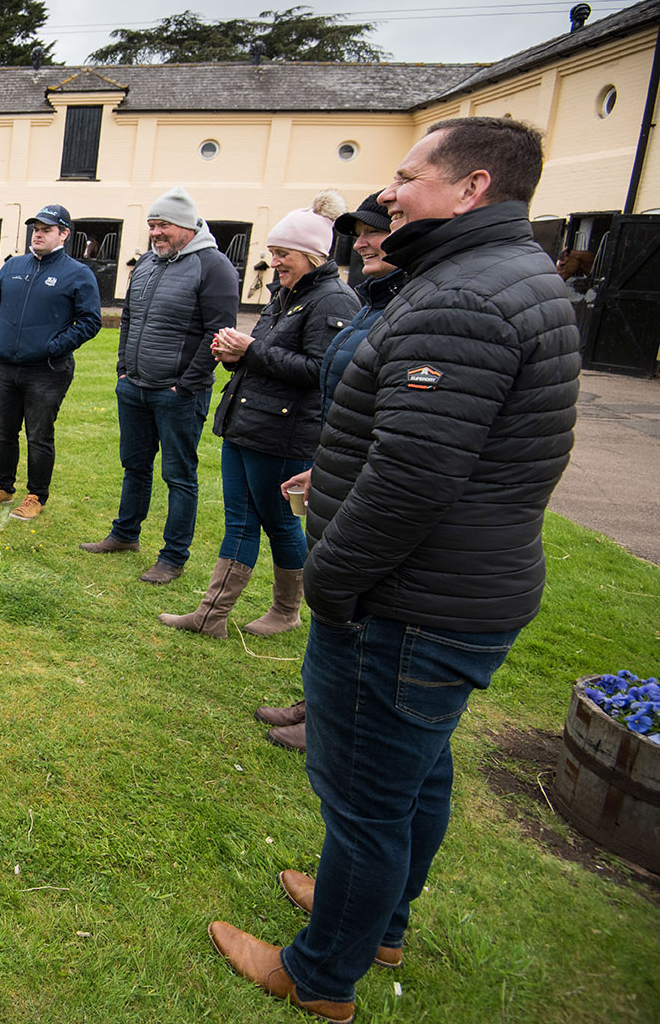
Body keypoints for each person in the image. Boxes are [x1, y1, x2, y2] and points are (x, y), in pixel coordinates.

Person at [209, 117, 580, 1021]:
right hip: (454, 590)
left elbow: (416, 478)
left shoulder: (462, 298)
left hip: (409, 599)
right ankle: (380, 922)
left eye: (410, 175)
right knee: (415, 771)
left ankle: (321, 973)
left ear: (473, 187)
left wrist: (330, 581)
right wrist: (329, 471)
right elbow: (432, 444)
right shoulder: (497, 277)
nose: (391, 193)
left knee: (366, 797)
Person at [160, 192, 358, 640]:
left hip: (285, 434)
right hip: (248, 425)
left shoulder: (333, 301)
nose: (275, 262)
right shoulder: (285, 295)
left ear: (311, 254)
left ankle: (286, 610)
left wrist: (252, 351)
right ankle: (212, 615)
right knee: (242, 522)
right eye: (272, 253)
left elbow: (322, 372)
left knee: (280, 522)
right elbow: (266, 357)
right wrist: (232, 355)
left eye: (283, 254)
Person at [256, 191, 402, 752]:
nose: (361, 242)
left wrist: (251, 354)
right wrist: (329, 465)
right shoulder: (376, 297)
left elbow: (323, 375)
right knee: (340, 601)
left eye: (382, 227)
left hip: (371, 486)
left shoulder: (347, 298)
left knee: (355, 599)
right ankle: (320, 700)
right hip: (339, 465)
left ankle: (334, 716)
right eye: (358, 232)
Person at [81, 187, 239, 581]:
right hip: (134, 386)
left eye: (163, 225)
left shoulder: (214, 265)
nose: (156, 233)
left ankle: (173, 556)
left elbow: (218, 331)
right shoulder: (148, 264)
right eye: (152, 225)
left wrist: (185, 385)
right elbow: (128, 318)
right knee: (134, 465)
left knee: (178, 476)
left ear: (186, 226)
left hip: (177, 393)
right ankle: (125, 534)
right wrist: (122, 370)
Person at [0, 205, 102, 520]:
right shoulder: (14, 266)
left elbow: (89, 321)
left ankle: (35, 496)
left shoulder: (78, 274)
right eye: (36, 229)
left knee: (38, 434)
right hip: (5, 366)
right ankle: (3, 486)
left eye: (46, 229)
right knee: (2, 431)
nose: (39, 234)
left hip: (48, 370)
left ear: (64, 234)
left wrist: (53, 347)